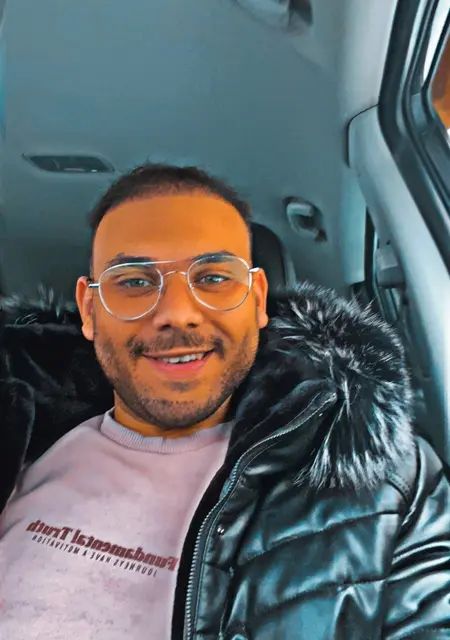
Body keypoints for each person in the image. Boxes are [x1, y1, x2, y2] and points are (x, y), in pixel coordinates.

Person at [0, 163, 449, 640]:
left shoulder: (388, 487)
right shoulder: (19, 432)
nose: (177, 313)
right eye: (134, 282)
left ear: (256, 301)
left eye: (213, 277)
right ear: (90, 311)